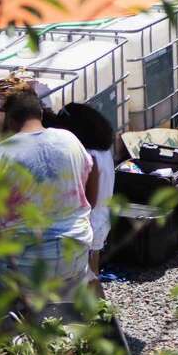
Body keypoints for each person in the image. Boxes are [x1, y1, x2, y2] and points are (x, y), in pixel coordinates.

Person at [0, 85, 97, 302]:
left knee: (18, 313)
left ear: (9, 120)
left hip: (25, 260)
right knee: (64, 312)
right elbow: (92, 175)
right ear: (40, 113)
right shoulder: (69, 139)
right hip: (74, 248)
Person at [50, 103, 116, 278]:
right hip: (101, 219)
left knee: (86, 277)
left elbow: (89, 200)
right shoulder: (104, 151)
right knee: (91, 275)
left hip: (90, 223)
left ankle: (96, 304)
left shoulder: (88, 156)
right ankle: (97, 303)